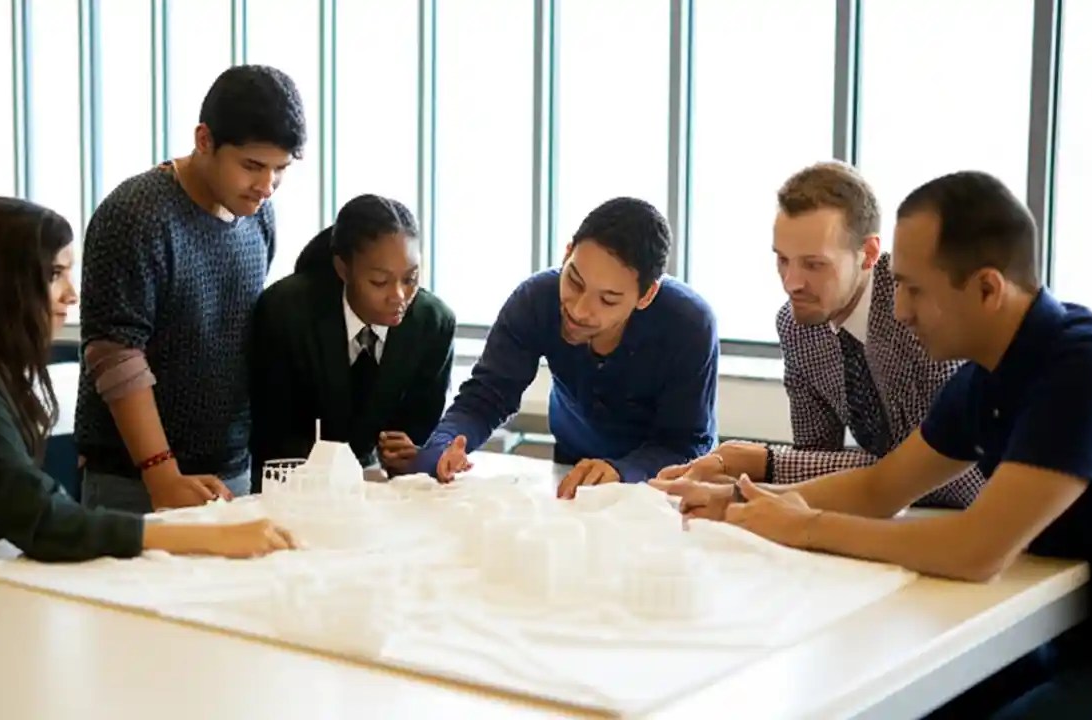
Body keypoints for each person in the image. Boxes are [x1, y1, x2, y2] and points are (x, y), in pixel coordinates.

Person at [654, 171, 1092, 717]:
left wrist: (809, 526)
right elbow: (880, 487)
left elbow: (978, 550)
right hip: (1076, 623)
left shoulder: (1085, 368)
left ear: (987, 288)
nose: (900, 309)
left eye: (914, 289)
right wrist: (745, 504)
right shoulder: (983, 380)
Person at [0, 198, 294, 562]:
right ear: (3, 283)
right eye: (55, 274)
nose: (72, 294)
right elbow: (43, 519)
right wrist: (206, 538)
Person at [659, 161, 983, 508]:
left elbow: (938, 474)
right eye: (782, 259)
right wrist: (746, 476)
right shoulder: (797, 324)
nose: (791, 283)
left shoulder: (918, 311)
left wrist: (761, 463)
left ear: (869, 254)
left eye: (814, 265)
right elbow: (815, 458)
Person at [76, 64, 306, 513]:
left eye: (280, 170)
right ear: (204, 141)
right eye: (252, 166)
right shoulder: (137, 214)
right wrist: (161, 472)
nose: (266, 186)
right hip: (135, 479)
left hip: (230, 470)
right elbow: (115, 354)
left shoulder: (257, 212)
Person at [410, 197, 718, 498]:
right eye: (575, 281)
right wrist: (443, 446)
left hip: (661, 483)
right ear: (567, 253)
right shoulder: (536, 299)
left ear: (646, 295)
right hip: (573, 464)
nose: (580, 310)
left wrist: (621, 472)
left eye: (608, 299)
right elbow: (487, 395)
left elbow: (685, 444)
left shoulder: (689, 325)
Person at [249, 194, 456, 483]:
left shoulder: (433, 324)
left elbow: (422, 427)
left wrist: (414, 454)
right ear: (343, 269)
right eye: (380, 282)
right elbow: (270, 430)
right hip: (293, 484)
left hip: (382, 492)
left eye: (410, 279)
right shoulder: (286, 311)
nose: (399, 296)